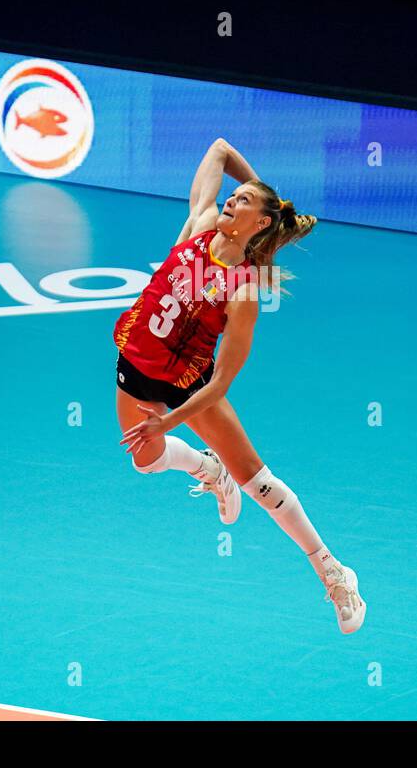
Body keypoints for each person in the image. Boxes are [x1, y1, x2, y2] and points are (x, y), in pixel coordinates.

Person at [114, 138, 366, 634]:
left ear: (262, 224)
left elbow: (224, 379)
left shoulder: (245, 289)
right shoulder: (202, 224)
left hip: (190, 385)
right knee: (145, 462)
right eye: (235, 195)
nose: (232, 199)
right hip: (138, 365)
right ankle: (208, 470)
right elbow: (219, 150)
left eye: (244, 201)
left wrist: (169, 420)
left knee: (258, 482)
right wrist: (262, 190)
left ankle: (333, 572)